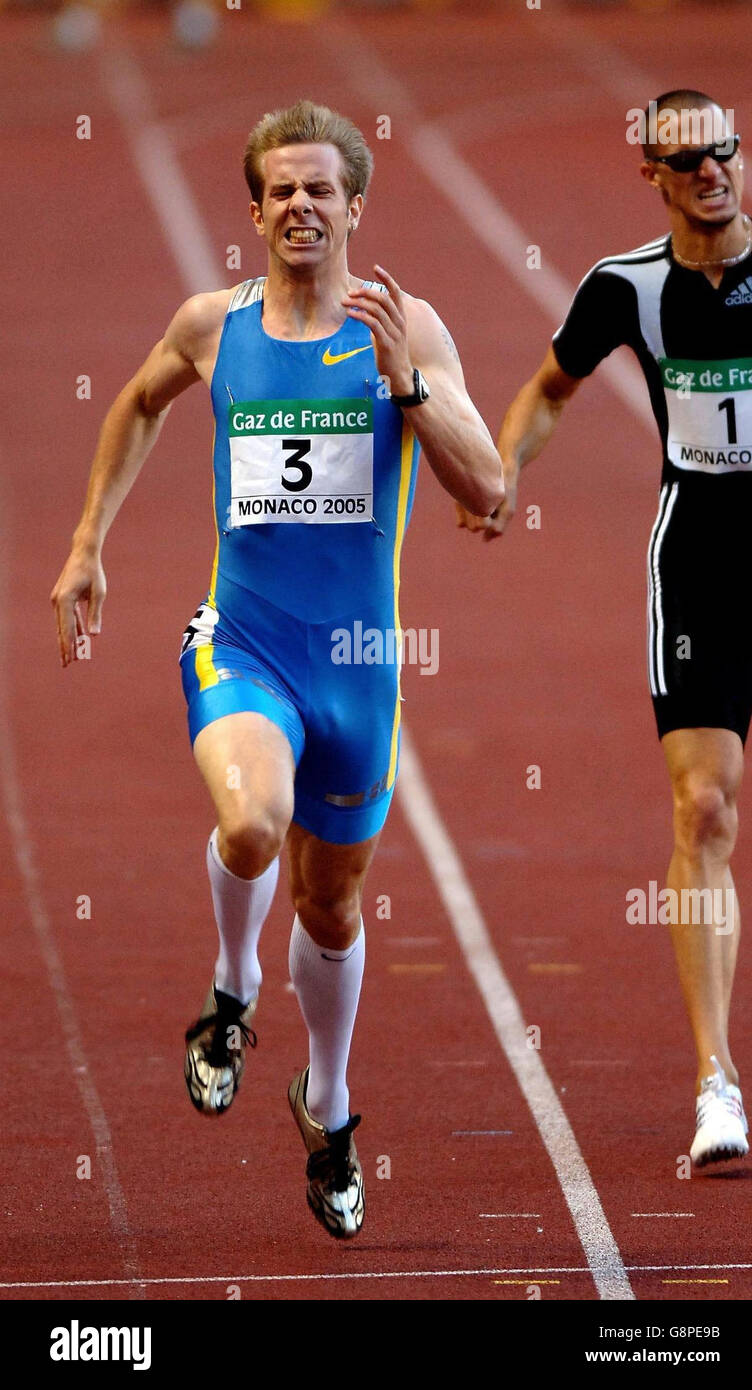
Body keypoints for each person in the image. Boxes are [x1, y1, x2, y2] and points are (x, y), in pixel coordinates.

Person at [51, 100, 503, 1238]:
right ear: (253, 210)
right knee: (253, 822)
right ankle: (231, 986)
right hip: (242, 641)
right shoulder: (213, 324)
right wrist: (86, 542)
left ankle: (329, 1102)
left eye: (320, 189)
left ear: (355, 205)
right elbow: (137, 401)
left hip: (357, 670)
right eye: (280, 189)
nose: (301, 205)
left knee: (333, 900)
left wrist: (407, 382)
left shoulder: (406, 327)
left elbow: (488, 490)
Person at [459, 90, 752, 1169]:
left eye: (722, 152)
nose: (711, 173)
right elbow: (549, 387)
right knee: (703, 804)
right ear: (652, 174)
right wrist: (501, 475)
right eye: (686, 162)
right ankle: (715, 1080)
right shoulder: (623, 287)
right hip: (698, 560)